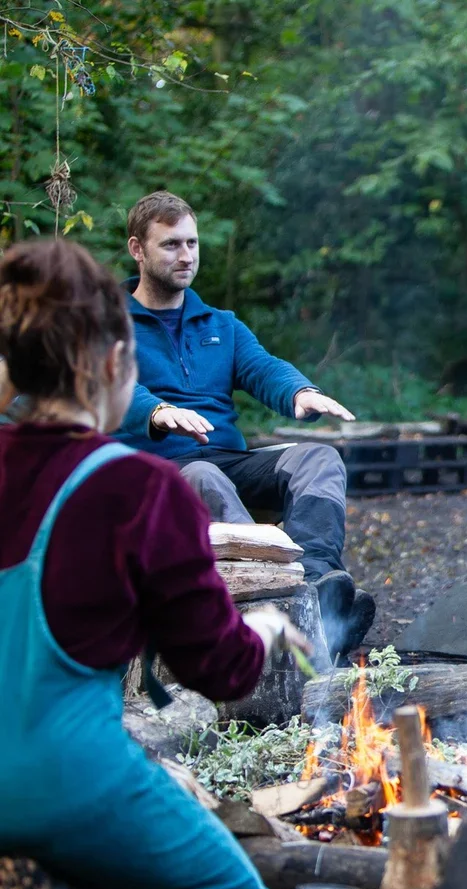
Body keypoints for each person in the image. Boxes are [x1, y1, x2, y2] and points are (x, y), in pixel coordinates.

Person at [0, 240, 306, 889]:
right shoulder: (138, 488)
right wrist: (264, 629)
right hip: (62, 777)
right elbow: (220, 670)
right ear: (112, 365)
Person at [114, 191, 374, 658]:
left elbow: (262, 367)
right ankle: (278, 601)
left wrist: (299, 392)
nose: (186, 256)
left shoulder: (221, 324)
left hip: (225, 459)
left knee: (318, 458)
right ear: (138, 249)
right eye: (171, 244)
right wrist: (155, 411)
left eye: (192, 243)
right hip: (159, 476)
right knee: (202, 475)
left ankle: (315, 585)